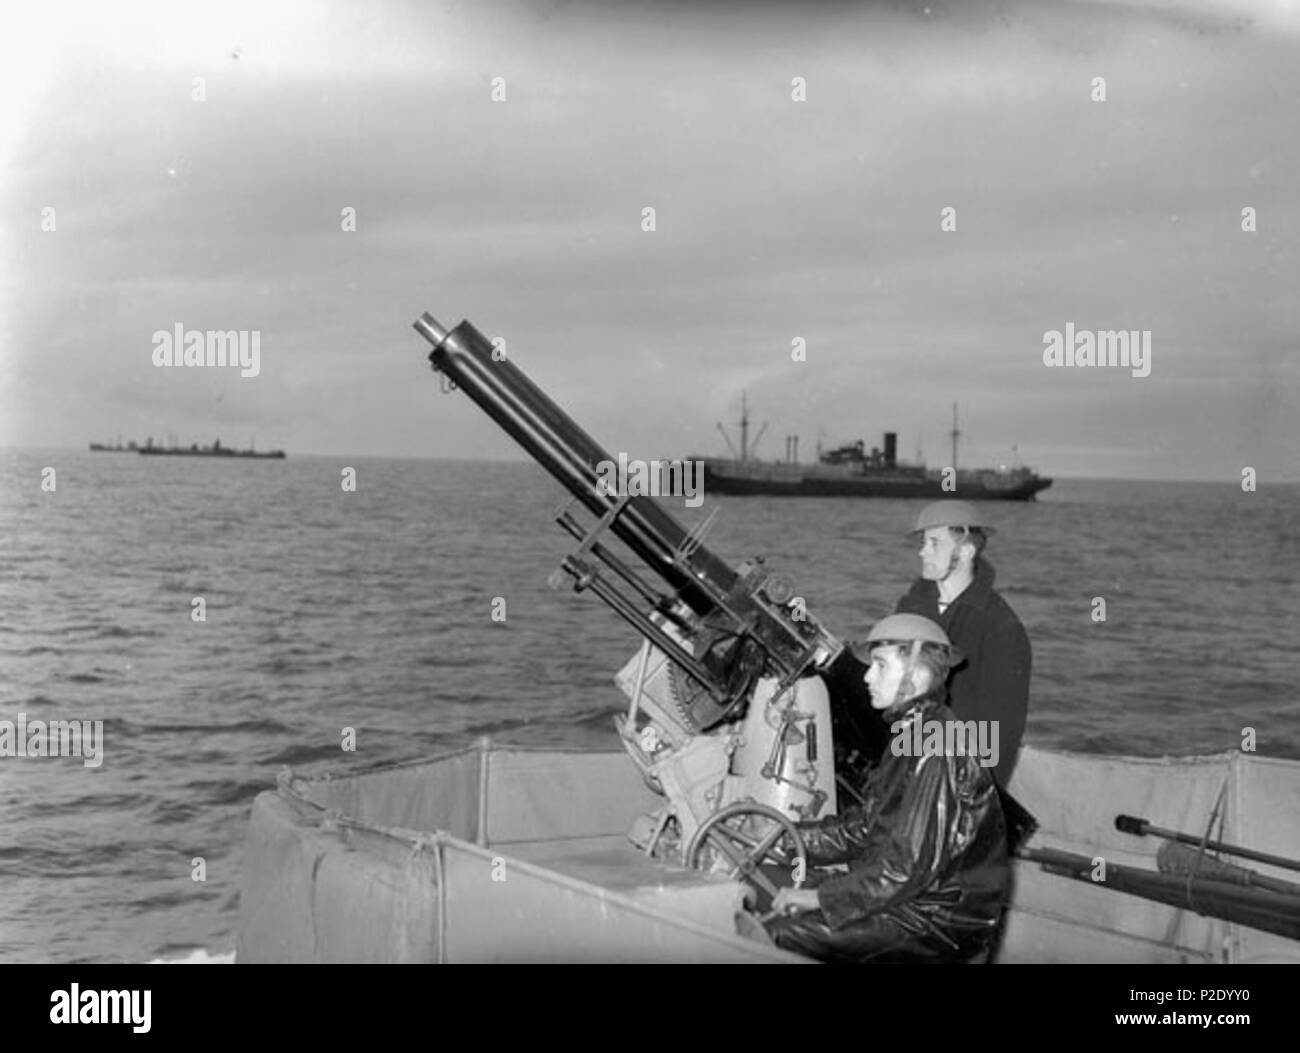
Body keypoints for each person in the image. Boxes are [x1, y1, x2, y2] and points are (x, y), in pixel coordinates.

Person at [763, 614, 1010, 963]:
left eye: (880, 665)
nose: (867, 676)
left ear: (917, 674)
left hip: (935, 921)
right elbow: (868, 827)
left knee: (774, 935)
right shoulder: (912, 734)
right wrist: (783, 838)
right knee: (767, 881)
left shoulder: (937, 747)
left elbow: (904, 867)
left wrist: (820, 898)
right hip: (909, 898)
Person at [894, 500, 1031, 788]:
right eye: (924, 543)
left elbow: (999, 737)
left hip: (952, 784)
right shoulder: (910, 608)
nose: (922, 551)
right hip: (902, 765)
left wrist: (969, 804)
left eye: (935, 543)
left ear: (966, 551)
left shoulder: (1001, 629)